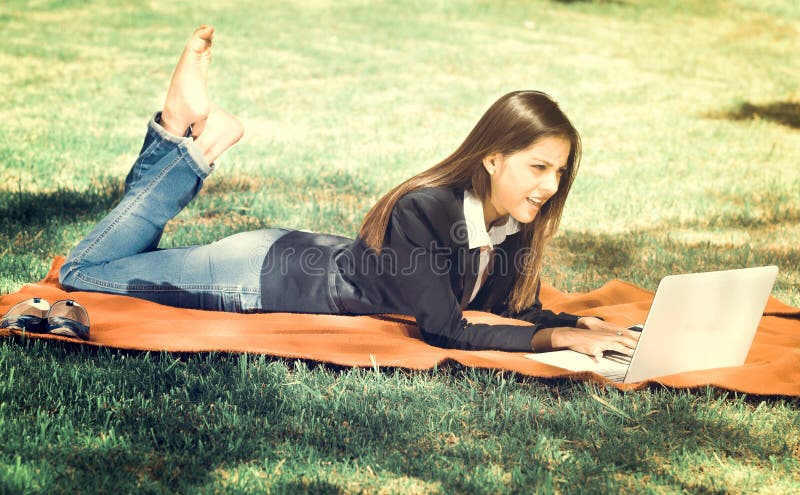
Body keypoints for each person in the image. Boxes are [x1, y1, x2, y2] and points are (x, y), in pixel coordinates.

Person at [59, 25, 639, 358]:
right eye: (539, 167)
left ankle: (179, 129)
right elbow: (445, 328)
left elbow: (498, 306)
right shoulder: (425, 210)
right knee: (84, 273)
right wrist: (552, 338)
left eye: (559, 172)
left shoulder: (508, 220)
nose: (551, 185)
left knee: (121, 262)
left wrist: (574, 324)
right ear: (492, 157)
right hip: (258, 277)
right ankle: (188, 144)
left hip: (288, 254)